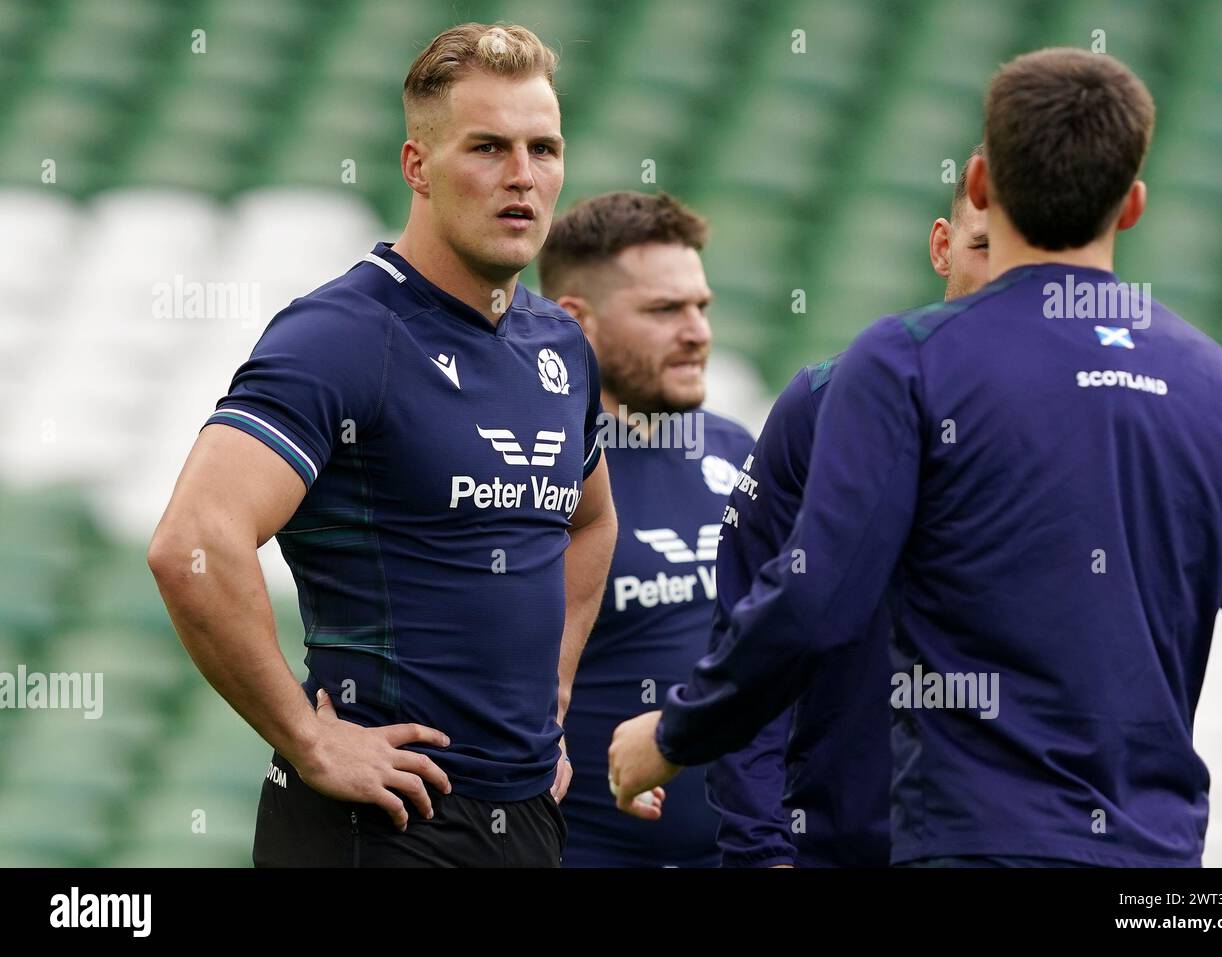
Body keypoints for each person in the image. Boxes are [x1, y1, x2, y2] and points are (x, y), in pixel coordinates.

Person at [610, 48, 1222, 868]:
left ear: (980, 182)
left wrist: (675, 731)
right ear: (1134, 205)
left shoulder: (904, 362)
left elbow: (814, 598)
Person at [148, 22, 617, 867]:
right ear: (417, 168)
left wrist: (549, 701)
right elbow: (192, 541)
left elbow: (589, 522)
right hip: (382, 822)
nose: (522, 177)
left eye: (543, 149)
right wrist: (309, 736)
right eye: (487, 147)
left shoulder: (561, 346)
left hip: (527, 818)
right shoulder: (342, 334)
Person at [707, 147, 989, 868]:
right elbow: (748, 639)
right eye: (982, 246)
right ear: (941, 245)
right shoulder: (824, 402)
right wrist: (761, 850)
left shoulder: (1095, 425)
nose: (999, 277)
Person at [538, 191, 753, 866]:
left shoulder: (738, 451)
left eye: (701, 307)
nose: (697, 331)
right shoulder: (535, 474)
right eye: (665, 310)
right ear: (577, 321)